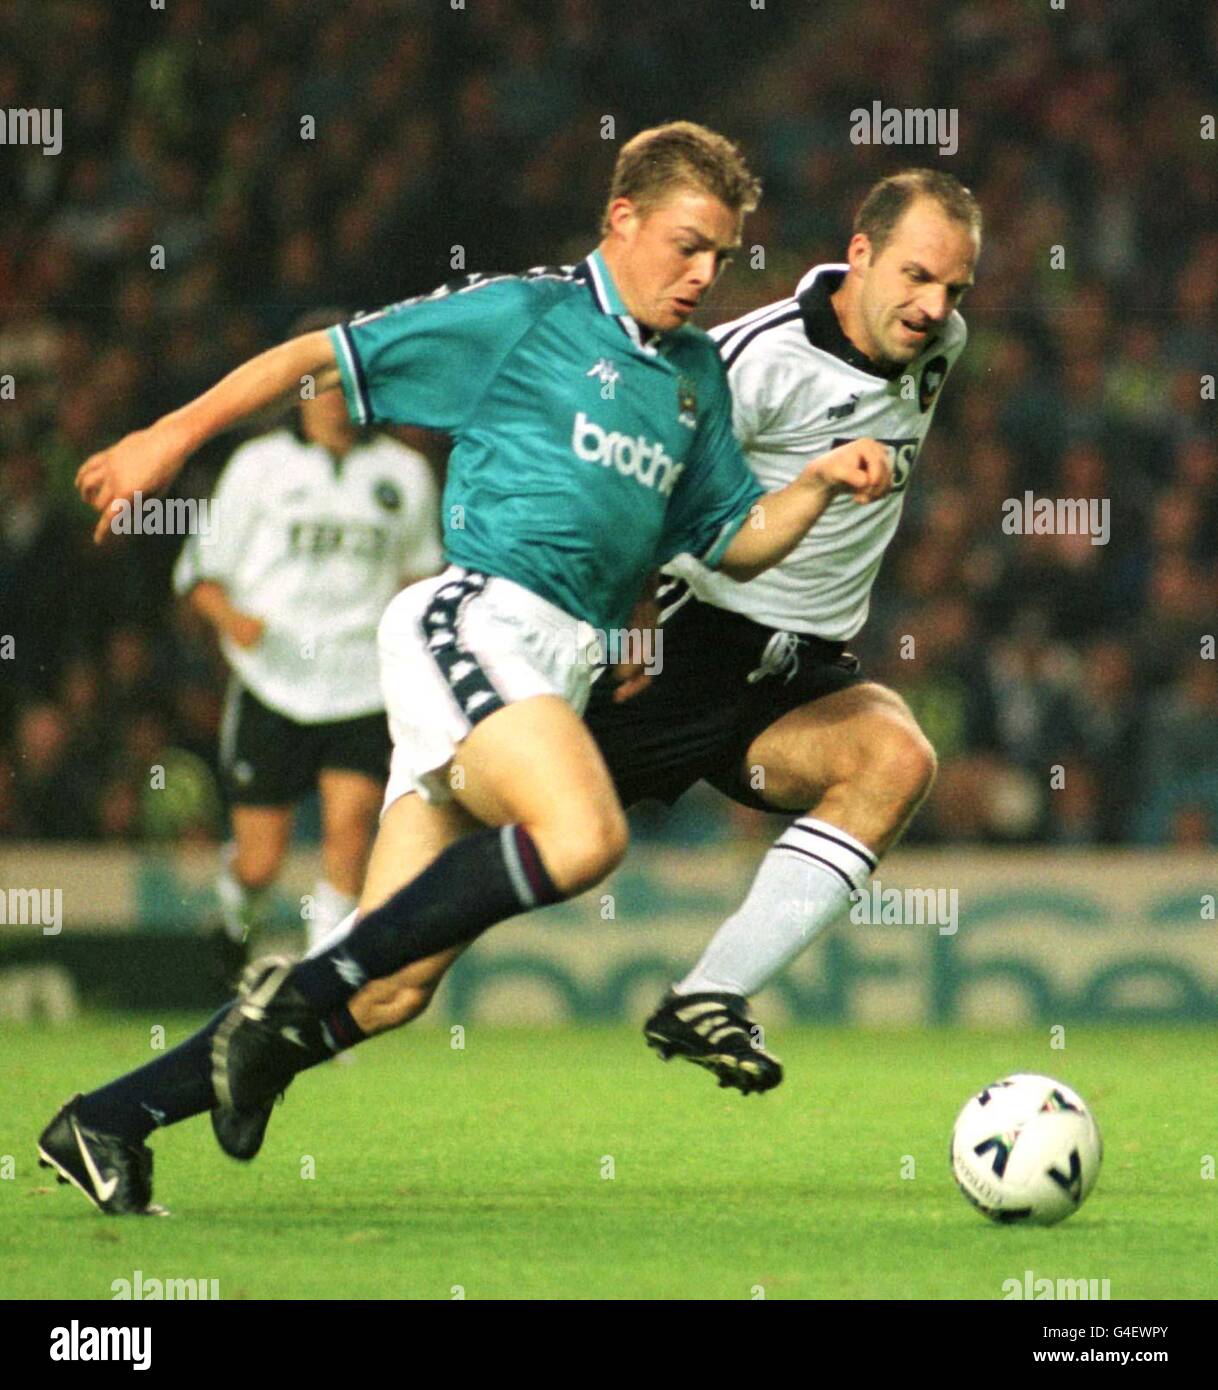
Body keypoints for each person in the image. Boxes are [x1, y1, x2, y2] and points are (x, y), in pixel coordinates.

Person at [39, 121, 893, 1213]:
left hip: (555, 666)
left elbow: (729, 535)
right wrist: (171, 435)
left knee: (388, 984)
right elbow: (321, 358)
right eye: (686, 245)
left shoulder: (689, 382)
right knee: (584, 835)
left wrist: (816, 484)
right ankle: (284, 1004)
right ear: (620, 220)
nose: (703, 276)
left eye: (723, 257)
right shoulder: (523, 317)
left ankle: (106, 1119)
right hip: (473, 625)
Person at [297, 168, 980, 1101]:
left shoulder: (939, 345)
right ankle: (254, 1041)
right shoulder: (750, 361)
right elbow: (647, 475)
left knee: (894, 757)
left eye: (954, 289)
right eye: (916, 277)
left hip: (787, 673)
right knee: (402, 969)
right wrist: (638, 613)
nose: (935, 306)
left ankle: (707, 997)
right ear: (857, 256)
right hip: (676, 652)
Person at [174, 308, 442, 972]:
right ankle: (234, 913)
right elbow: (199, 576)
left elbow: (419, 573)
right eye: (322, 384)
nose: (336, 400)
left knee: (349, 836)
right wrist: (233, 621)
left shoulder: (403, 475)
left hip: (360, 683)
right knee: (262, 859)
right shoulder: (256, 468)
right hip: (274, 681)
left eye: (347, 385)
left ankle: (321, 1001)